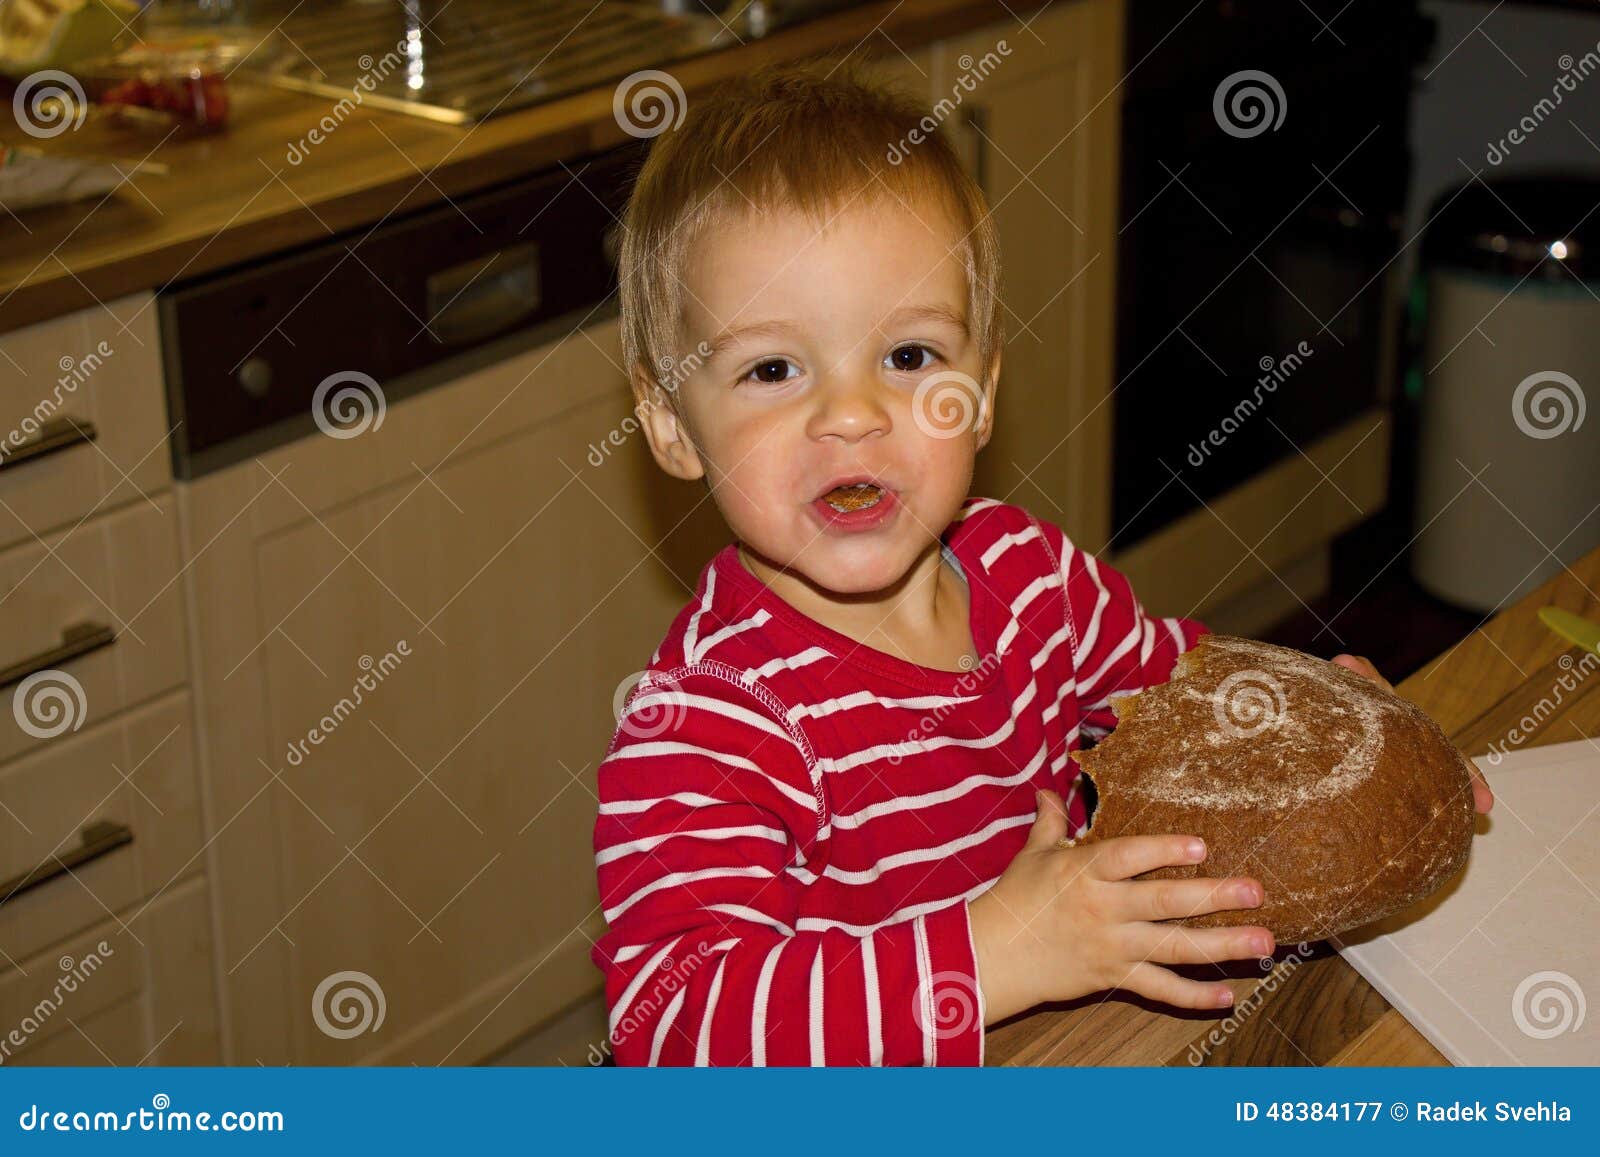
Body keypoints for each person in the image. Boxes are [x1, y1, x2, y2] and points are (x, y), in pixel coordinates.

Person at [589, 58, 1492, 1067]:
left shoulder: (1029, 572)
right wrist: (1000, 950)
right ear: (671, 424)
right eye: (772, 368)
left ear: (980, 391)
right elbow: (672, 1030)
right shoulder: (708, 725)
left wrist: (1333, 740)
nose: (852, 414)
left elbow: (1179, 696)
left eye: (909, 356)